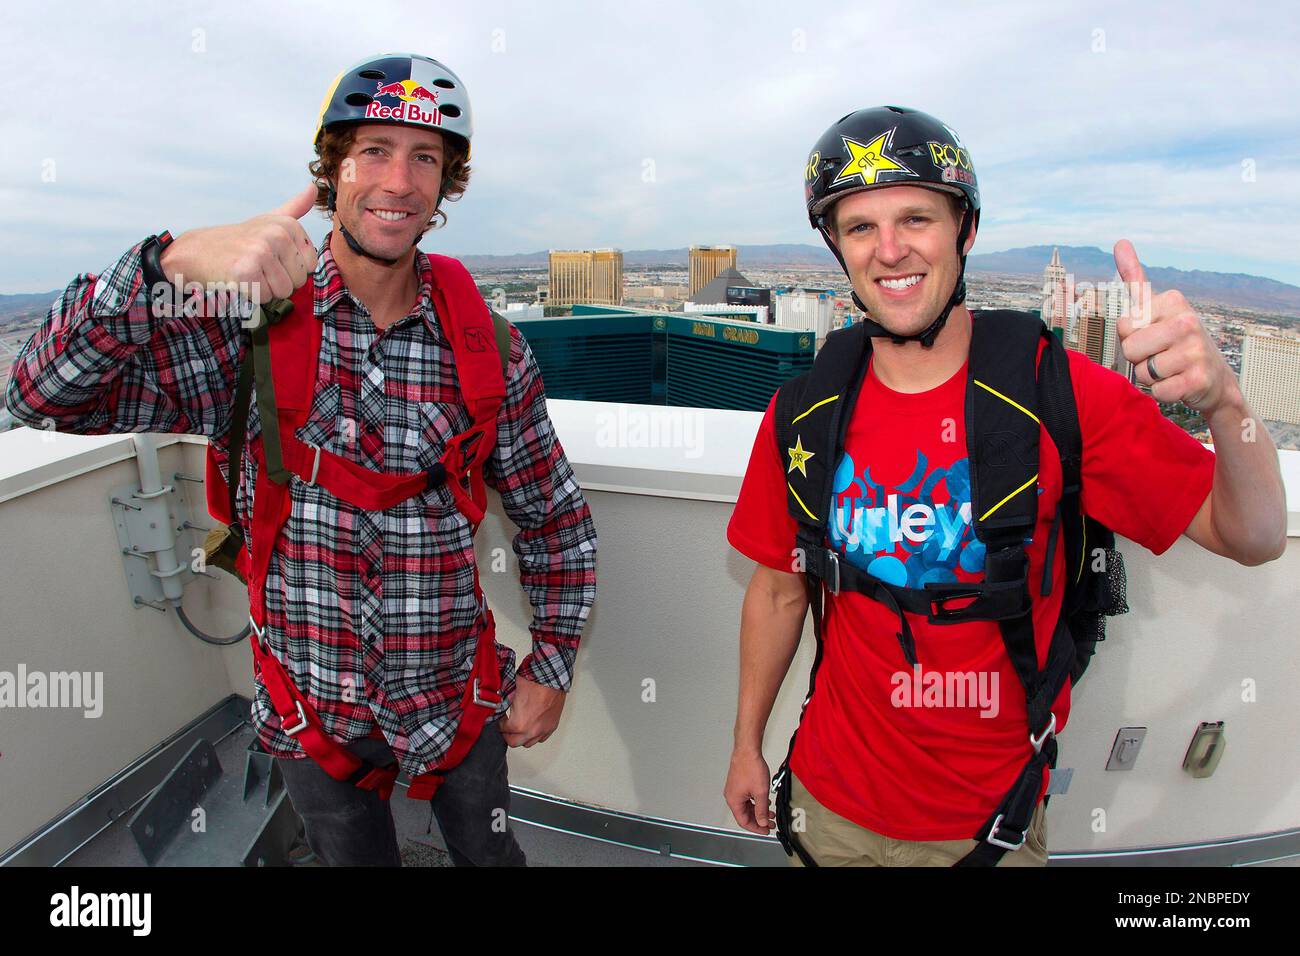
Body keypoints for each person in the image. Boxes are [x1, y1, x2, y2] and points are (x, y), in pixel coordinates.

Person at [5, 52, 598, 867]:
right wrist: (169, 264)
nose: (399, 179)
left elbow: (554, 521)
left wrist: (553, 667)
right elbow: (40, 394)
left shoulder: (484, 346)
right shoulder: (244, 331)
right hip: (309, 708)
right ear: (331, 172)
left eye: (425, 156)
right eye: (373, 151)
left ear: (447, 183)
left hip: (455, 697)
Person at [721, 106, 1287, 867]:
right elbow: (779, 591)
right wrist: (746, 745)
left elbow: (1251, 535)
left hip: (985, 824)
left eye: (916, 217)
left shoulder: (1057, 392)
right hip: (826, 805)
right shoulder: (807, 410)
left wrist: (1226, 402)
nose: (890, 250)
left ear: (966, 231)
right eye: (860, 227)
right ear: (836, 245)